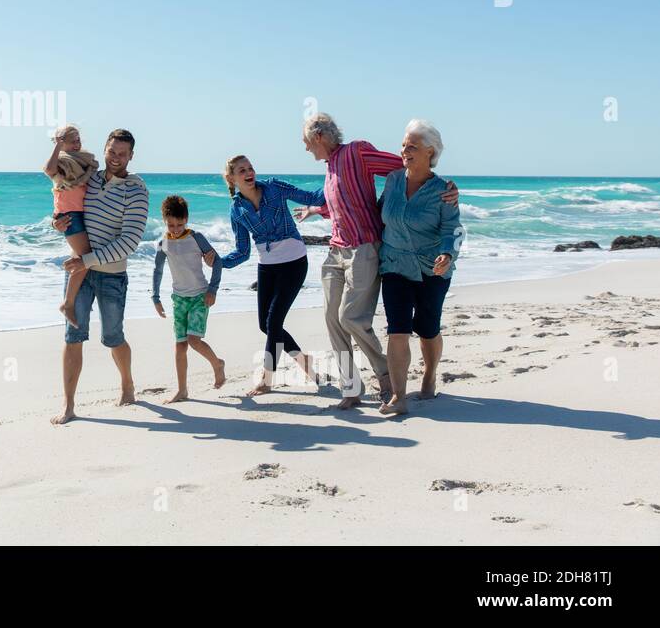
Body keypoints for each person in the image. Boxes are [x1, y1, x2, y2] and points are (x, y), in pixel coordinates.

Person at [294, 113, 458, 409]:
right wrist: (318, 210)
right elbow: (352, 204)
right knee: (334, 319)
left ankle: (390, 377)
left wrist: (442, 183)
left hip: (365, 249)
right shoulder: (332, 168)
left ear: (319, 137)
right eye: (404, 146)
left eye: (306, 142)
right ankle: (353, 388)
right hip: (342, 252)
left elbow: (401, 165)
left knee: (357, 319)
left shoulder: (357, 152)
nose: (306, 149)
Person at [51, 129, 149, 425]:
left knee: (113, 337)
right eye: (112, 151)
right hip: (80, 271)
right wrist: (57, 223)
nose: (116, 158)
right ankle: (68, 406)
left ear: (131, 156)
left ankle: (127, 385)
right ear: (104, 149)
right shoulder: (90, 177)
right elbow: (66, 199)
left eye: (122, 153)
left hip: (110, 276)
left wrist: (87, 261)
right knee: (73, 337)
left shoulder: (136, 189)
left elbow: (130, 242)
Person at [219, 156, 326, 397]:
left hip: (294, 261)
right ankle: (305, 363)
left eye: (250, 168)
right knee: (264, 325)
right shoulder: (236, 210)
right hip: (267, 266)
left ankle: (266, 379)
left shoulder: (274, 187)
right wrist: (219, 263)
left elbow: (311, 198)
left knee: (274, 323)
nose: (249, 173)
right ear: (232, 178)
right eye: (241, 170)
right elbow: (242, 252)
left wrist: (336, 180)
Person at [377, 120, 462, 415]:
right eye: (403, 145)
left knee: (427, 329)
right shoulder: (392, 180)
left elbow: (452, 228)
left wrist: (447, 255)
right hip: (394, 265)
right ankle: (398, 397)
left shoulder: (444, 191)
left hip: (431, 269)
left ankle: (429, 374)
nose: (404, 150)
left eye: (412, 146)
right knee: (397, 329)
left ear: (430, 152)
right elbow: (377, 211)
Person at [151, 195, 226, 402]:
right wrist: (155, 297)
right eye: (171, 224)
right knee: (180, 345)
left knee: (194, 340)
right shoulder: (163, 243)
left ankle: (217, 364)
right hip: (179, 300)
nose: (175, 228)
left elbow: (217, 262)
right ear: (164, 221)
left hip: (200, 296)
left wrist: (213, 289)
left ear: (187, 219)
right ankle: (182, 390)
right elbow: (157, 271)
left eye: (180, 224)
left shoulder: (196, 237)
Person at [42, 124, 98, 326]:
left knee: (81, 257)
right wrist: (58, 146)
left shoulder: (82, 162)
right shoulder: (62, 164)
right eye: (71, 141)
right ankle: (68, 303)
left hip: (83, 214)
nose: (77, 144)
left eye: (78, 140)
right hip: (69, 215)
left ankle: (76, 300)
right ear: (61, 143)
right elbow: (48, 169)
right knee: (86, 257)